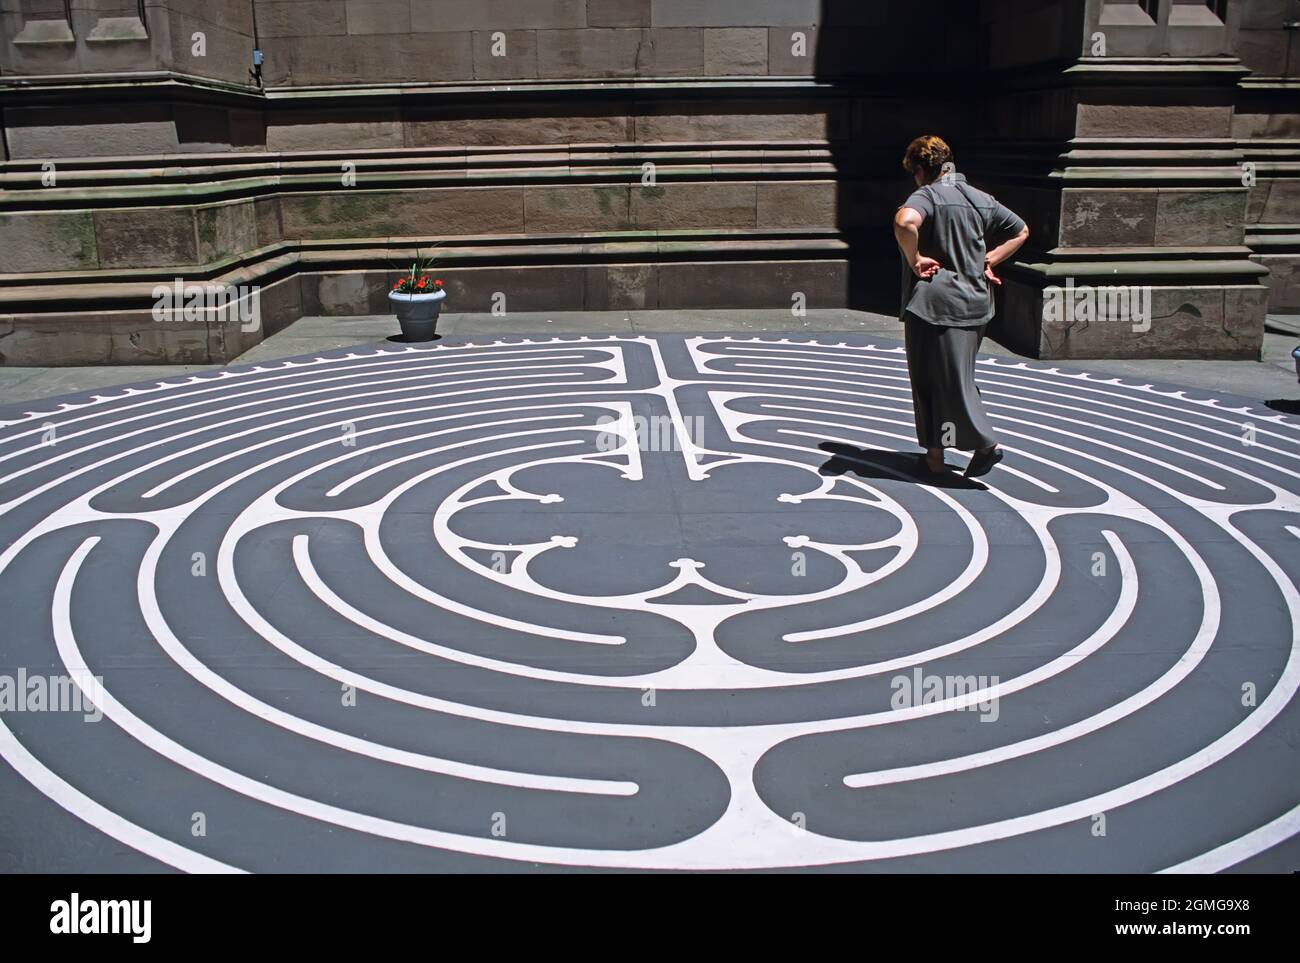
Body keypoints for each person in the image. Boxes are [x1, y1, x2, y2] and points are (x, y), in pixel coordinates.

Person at [893, 135, 1029, 478]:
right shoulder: (980, 197)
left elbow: (905, 222)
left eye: (915, 172)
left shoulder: (928, 195)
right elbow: (1021, 230)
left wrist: (915, 259)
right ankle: (935, 459)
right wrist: (990, 259)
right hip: (977, 301)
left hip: (936, 304)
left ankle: (984, 445)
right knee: (956, 376)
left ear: (922, 170)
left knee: (934, 379)